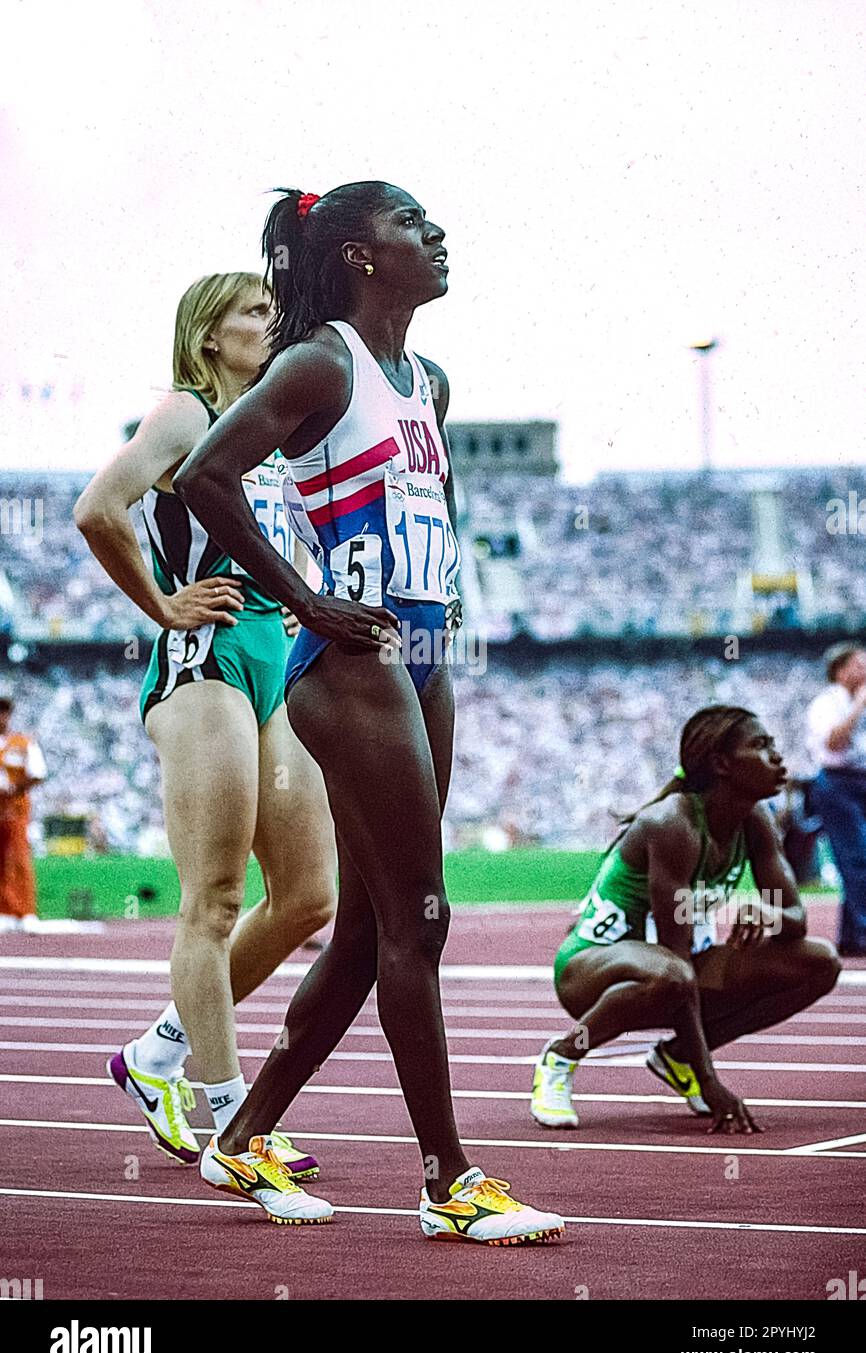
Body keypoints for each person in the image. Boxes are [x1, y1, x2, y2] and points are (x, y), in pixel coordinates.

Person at [173, 182, 564, 1243]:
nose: (438, 235)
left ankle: (243, 1136)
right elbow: (206, 473)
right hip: (349, 657)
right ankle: (448, 1179)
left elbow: (433, 513)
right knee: (420, 919)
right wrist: (302, 599)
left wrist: (444, 635)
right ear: (355, 253)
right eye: (413, 224)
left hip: (423, 649)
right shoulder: (322, 363)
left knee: (365, 928)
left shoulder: (426, 381)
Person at [74, 273, 336, 1175]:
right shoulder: (187, 415)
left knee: (308, 895)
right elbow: (98, 508)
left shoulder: (272, 431)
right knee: (215, 900)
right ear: (207, 336)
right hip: (207, 661)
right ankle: (234, 1125)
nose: (273, 325)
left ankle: (154, 1057)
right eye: (255, 314)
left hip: (270, 657)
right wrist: (161, 605)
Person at [531, 706, 841, 1133]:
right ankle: (563, 1054)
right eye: (762, 745)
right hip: (592, 967)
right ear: (721, 764)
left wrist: (768, 911)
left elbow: (795, 920)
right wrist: (711, 1083)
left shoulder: (755, 821)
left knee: (819, 962)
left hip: (671, 968)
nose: (779, 757)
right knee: (674, 976)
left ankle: (676, 1058)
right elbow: (676, 965)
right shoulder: (672, 825)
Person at [806, 643, 866, 955]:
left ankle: (854, 935)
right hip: (838, 783)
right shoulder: (826, 703)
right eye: (860, 665)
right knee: (856, 856)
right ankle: (862, 930)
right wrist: (858, 705)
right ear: (841, 671)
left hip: (861, 779)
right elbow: (835, 742)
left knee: (858, 858)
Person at [0, 694, 47, 931]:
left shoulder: (23, 743)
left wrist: (14, 789)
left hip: (15, 810)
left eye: (4, 712)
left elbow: (38, 773)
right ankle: (4, 911)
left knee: (18, 859)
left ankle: (26, 911)